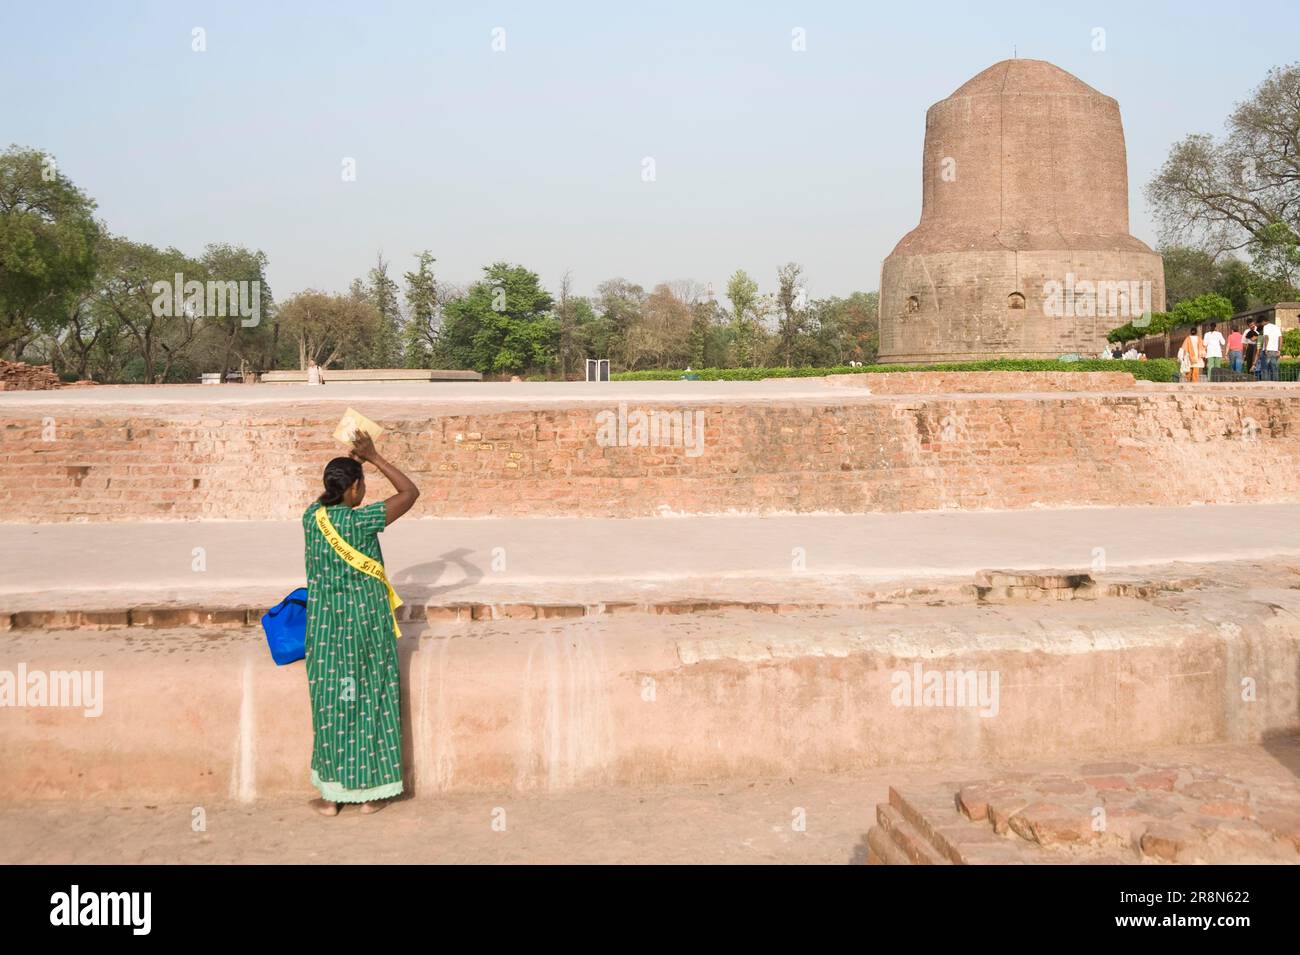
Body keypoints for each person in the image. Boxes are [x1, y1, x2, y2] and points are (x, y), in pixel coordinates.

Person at [303, 431, 420, 816]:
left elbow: (327, 501)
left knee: (331, 706)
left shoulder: (310, 519)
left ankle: (331, 797)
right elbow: (409, 492)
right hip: (368, 628)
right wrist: (375, 456)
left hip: (326, 633)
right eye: (362, 484)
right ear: (355, 488)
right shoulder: (364, 520)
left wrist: (350, 468)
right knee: (372, 702)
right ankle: (371, 793)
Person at [1260, 315, 1282, 381]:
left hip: (1268, 351)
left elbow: (1266, 337)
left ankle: (1267, 386)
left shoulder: (1266, 327)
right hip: (1275, 351)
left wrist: (1266, 348)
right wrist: (1279, 350)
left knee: (1265, 369)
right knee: (1274, 369)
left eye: (1261, 323)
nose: (1261, 324)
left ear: (1263, 321)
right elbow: (1280, 338)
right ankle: (1276, 385)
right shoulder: (1276, 327)